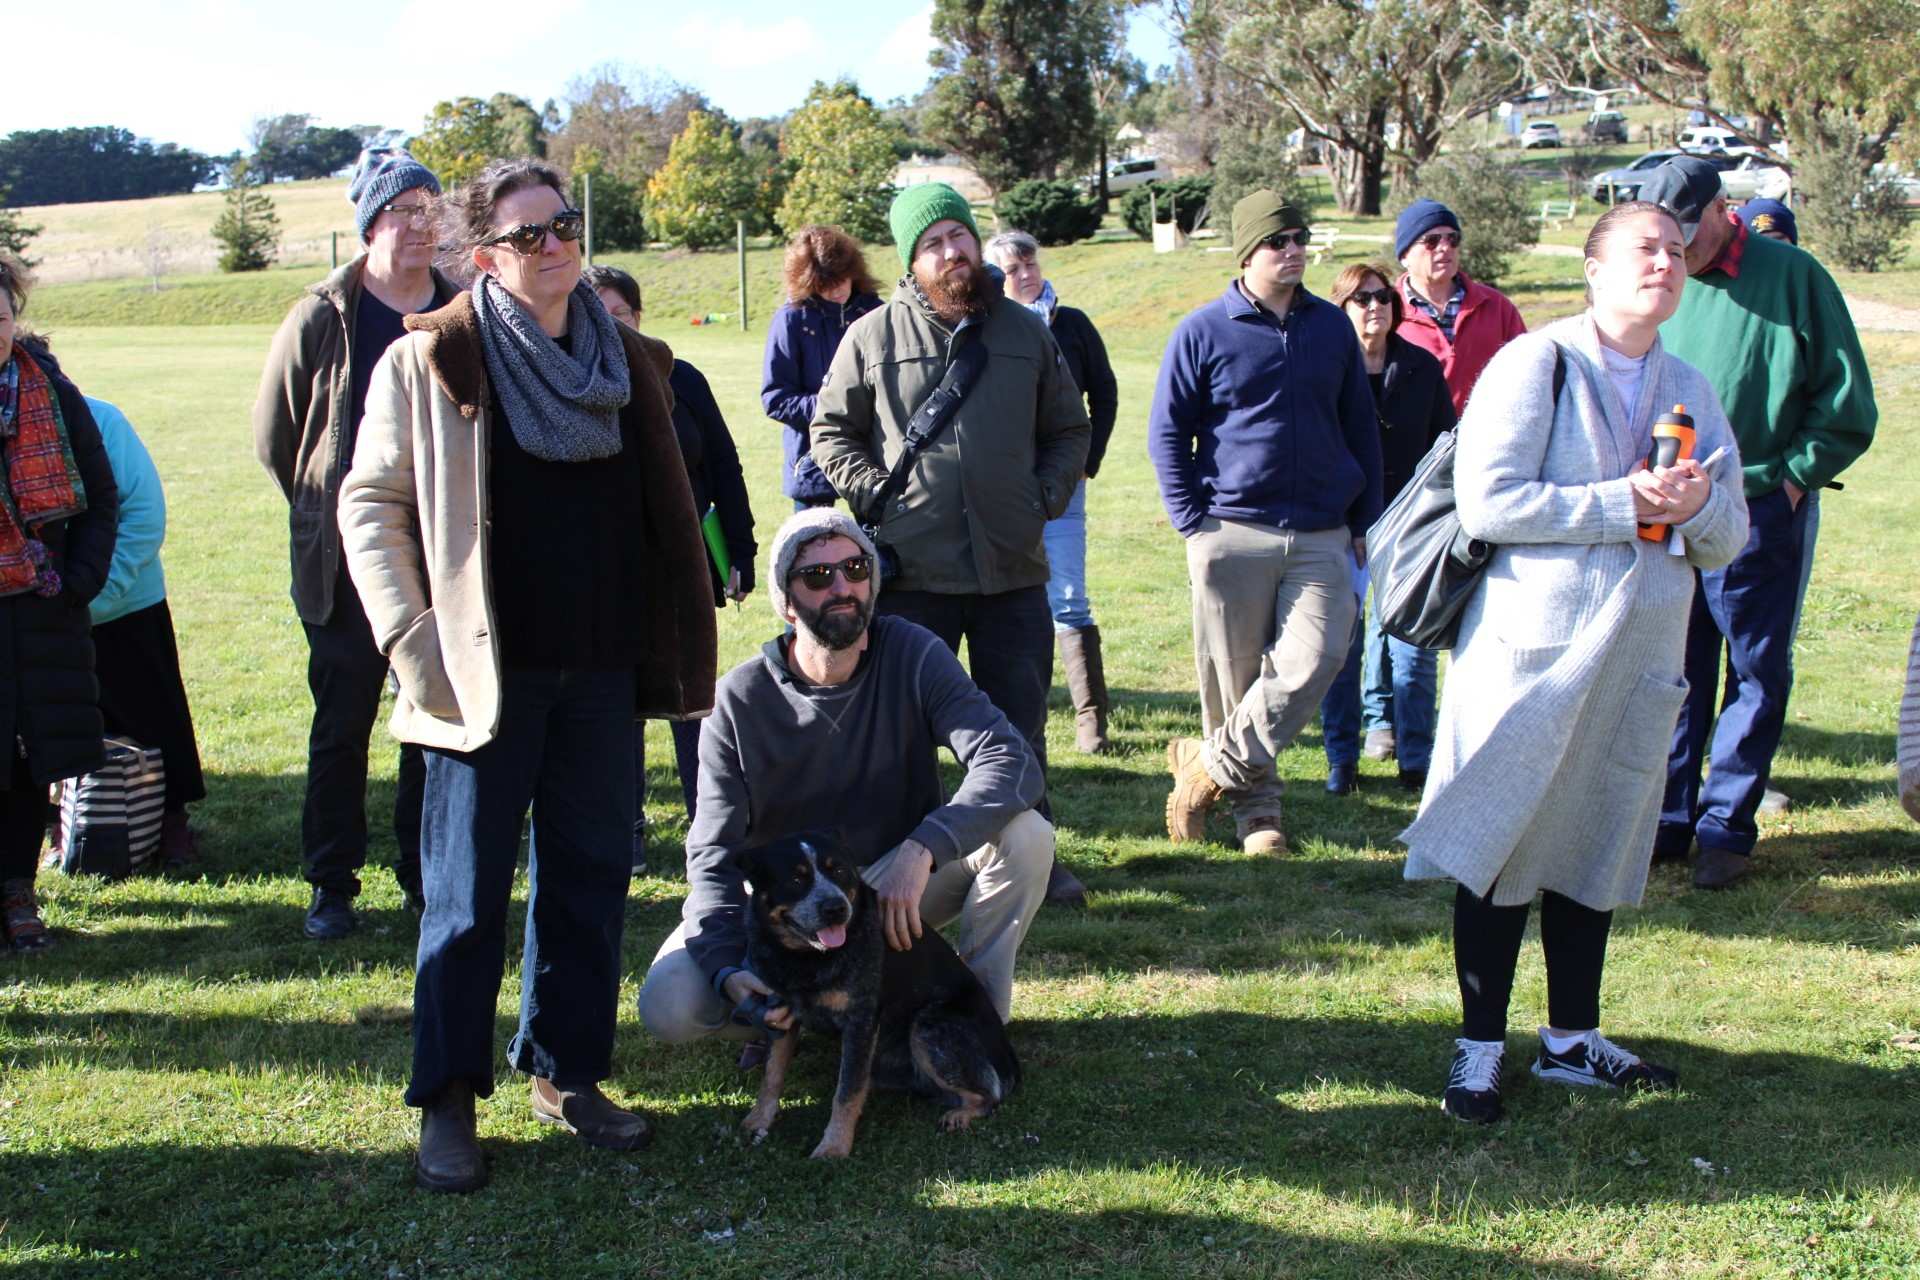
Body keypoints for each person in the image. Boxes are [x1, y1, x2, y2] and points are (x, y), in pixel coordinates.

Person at [339, 159, 716, 1193]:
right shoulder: (434, 362)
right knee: (463, 900)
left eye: (562, 227)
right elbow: (369, 506)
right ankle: (448, 1101)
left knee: (592, 880)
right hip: (478, 678)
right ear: (482, 257)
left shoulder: (631, 359)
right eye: (526, 235)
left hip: (601, 671)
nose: (552, 247)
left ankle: (567, 1071)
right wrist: (413, 639)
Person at [1403, 202, 1749, 1125]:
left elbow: (1731, 533)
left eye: (1678, 253)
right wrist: (1622, 502)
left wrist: (1692, 512)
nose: (1666, 265)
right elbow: (1488, 503)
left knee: (1597, 842)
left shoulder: (1693, 387)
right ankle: (1478, 1047)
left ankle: (1569, 1042)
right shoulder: (1536, 362)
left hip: (1639, 660)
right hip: (1530, 658)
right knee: (1500, 844)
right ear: (1593, 269)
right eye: (1646, 250)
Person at [638, 508, 1051, 1048]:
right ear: (785, 602)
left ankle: (972, 1019)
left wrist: (923, 847)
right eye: (817, 576)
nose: (842, 586)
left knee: (1026, 835)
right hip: (783, 905)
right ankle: (788, 1022)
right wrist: (724, 967)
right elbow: (713, 853)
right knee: (672, 1005)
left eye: (857, 568)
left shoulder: (913, 653)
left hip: (891, 889)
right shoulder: (737, 701)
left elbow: (1009, 759)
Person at [811, 184, 1091, 907]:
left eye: (958, 237)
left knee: (1019, 723)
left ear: (975, 241)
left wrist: (1041, 498)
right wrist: (877, 496)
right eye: (932, 243)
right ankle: (918, 866)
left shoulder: (1028, 333)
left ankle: (1034, 857)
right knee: (907, 737)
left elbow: (1069, 428)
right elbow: (829, 432)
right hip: (914, 576)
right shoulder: (870, 337)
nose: (950, 253)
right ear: (912, 259)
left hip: (1011, 570)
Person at [1641, 156, 1877, 889]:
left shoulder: (1793, 275)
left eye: (1685, 236)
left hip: (1760, 509)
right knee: (1671, 670)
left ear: (1724, 209)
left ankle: (1725, 824)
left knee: (1753, 667)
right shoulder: (1661, 281)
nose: (1676, 256)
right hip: (1668, 509)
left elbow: (1847, 402)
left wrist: (1794, 480)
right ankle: (1669, 819)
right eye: (1663, 242)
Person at [254, 149, 457, 934]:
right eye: (402, 210)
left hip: (442, 559)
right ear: (369, 223)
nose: (417, 225)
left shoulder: (460, 310)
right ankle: (330, 885)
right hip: (344, 564)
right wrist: (325, 513)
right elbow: (276, 434)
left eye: (428, 209)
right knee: (341, 728)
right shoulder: (321, 314)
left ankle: (423, 875)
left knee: (431, 721)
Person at [1151, 189, 1384, 855]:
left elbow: (1360, 425)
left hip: (1321, 529)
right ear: (1248, 251)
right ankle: (1259, 817)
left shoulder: (1331, 326)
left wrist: (1365, 514)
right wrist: (1194, 523)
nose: (1293, 251)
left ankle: (1206, 769)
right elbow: (1168, 432)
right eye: (1279, 242)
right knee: (1234, 675)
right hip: (1231, 527)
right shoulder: (1202, 330)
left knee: (1319, 655)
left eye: (1299, 239)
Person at [586, 264, 754, 859]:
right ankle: (624, 834)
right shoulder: (573, 384)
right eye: (597, 314)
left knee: (692, 703)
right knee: (619, 709)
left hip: (683, 565)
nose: (612, 327)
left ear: (640, 318)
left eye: (622, 316)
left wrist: (741, 550)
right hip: (607, 573)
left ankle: (704, 830)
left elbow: (726, 467)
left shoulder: (684, 378)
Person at [0, 251, 119, 952]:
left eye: (2, 315)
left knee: (25, 759)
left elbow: (103, 498)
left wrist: (78, 583)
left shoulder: (51, 391)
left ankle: (18, 893)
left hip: (41, 607)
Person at [1314, 264, 1455, 796]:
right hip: (1342, 527)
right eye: (1361, 298)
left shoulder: (1420, 367)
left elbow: (1445, 447)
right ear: (1342, 308)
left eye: (1382, 297)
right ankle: (1341, 760)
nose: (1374, 307)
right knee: (1343, 651)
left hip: (1411, 529)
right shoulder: (1326, 370)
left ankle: (1416, 759)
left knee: (1414, 651)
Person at [983, 229, 1121, 755]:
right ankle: (1025, 710)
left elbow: (1103, 393)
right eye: (1013, 268)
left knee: (1068, 597)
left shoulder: (1074, 325)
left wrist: (1089, 459)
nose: (1026, 274)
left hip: (1064, 485)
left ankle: (1092, 719)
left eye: (1031, 263)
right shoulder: (988, 327)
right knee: (1014, 597)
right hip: (1002, 489)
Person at [85, 395, 206, 869]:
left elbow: (144, 513)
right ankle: (68, 823)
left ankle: (171, 823)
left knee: (154, 716)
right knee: (55, 726)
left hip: (126, 600)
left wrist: (101, 592)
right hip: (41, 613)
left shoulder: (102, 420)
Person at [761, 226, 883, 511]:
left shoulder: (875, 313)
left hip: (873, 456)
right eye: (826, 283)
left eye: (842, 279)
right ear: (809, 281)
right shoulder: (791, 320)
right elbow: (776, 399)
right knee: (816, 551)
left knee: (882, 550)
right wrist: (835, 406)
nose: (837, 289)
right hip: (812, 457)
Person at [1391, 198, 1528, 416]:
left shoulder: (1496, 306)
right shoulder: (1385, 310)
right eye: (1432, 241)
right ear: (1405, 255)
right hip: (1416, 445)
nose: (1445, 247)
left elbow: (1527, 371)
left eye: (1453, 239)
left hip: (1488, 438)